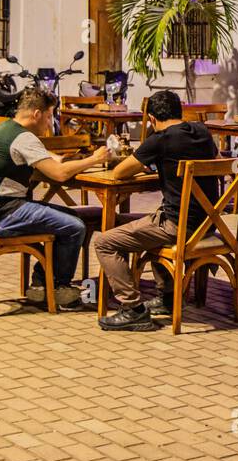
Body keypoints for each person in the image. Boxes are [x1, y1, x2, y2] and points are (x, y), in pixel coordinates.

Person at [0, 87, 110, 308]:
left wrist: (72, 159)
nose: (49, 122)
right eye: (49, 116)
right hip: (4, 214)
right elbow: (59, 174)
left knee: (67, 217)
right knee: (74, 226)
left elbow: (53, 162)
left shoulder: (7, 129)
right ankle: (60, 288)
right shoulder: (24, 138)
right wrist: (94, 159)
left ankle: (40, 284)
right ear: (37, 114)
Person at [94, 90, 221, 331]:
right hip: (208, 223)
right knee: (149, 226)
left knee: (104, 242)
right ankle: (167, 298)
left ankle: (132, 308)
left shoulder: (160, 138)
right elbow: (211, 160)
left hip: (178, 225)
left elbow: (120, 172)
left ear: (151, 118)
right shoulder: (203, 133)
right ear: (180, 111)